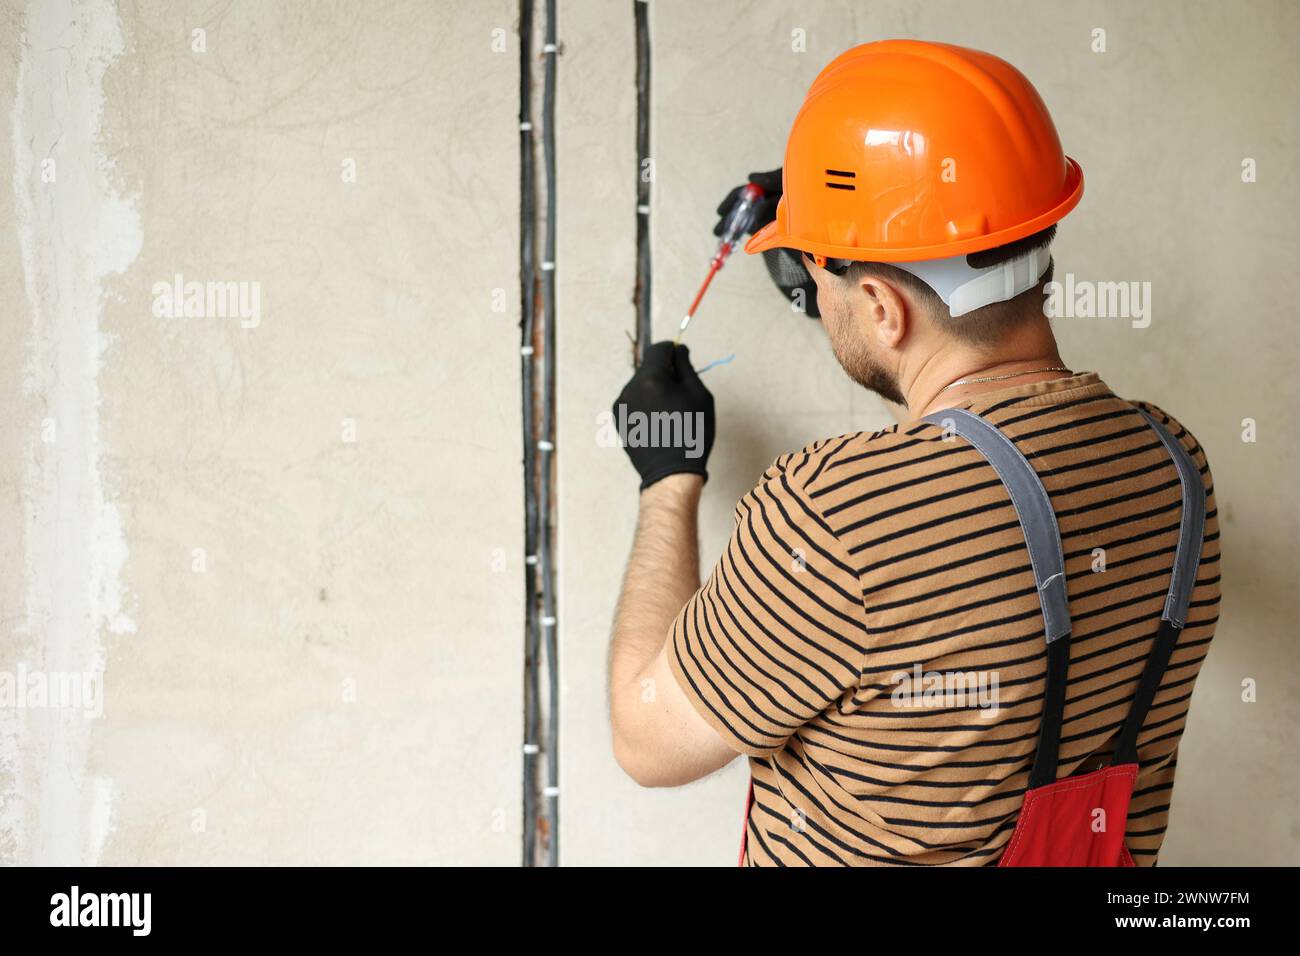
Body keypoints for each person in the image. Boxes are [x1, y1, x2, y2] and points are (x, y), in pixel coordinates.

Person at [605, 40, 1220, 866]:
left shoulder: (834, 514)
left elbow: (646, 741)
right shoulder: (1176, 469)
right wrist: (854, 280)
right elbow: (974, 435)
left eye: (828, 282)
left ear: (883, 308)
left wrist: (669, 478)